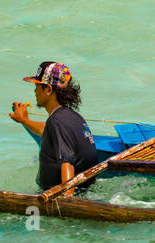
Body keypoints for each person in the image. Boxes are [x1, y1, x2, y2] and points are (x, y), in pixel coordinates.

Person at [9, 61, 98, 192]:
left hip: (58, 200)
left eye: (38, 86)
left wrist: (67, 200)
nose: (34, 90)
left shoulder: (56, 122)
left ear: (48, 90)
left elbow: (67, 164)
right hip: (86, 192)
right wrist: (24, 120)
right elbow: (45, 131)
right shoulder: (74, 117)